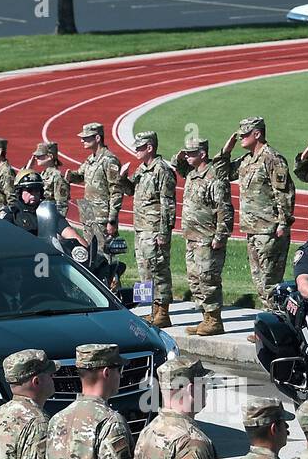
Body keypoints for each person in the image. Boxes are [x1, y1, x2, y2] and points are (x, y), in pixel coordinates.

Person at [214, 116, 295, 309]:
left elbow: (284, 193)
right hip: (252, 229)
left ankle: (277, 324)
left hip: (269, 230)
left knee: (270, 282)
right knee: (259, 282)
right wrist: (226, 150)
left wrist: (283, 223)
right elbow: (221, 173)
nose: (240, 138)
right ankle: (269, 324)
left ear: (257, 134)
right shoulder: (247, 160)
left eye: (245, 134)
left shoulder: (272, 158)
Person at [174, 138, 233, 336]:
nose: (187, 156)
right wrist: (182, 155)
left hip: (208, 238)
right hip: (192, 237)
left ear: (203, 154)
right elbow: (177, 164)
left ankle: (215, 320)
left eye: (192, 153)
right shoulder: (191, 175)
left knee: (208, 279)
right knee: (194, 280)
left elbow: (224, 209)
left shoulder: (214, 177)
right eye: (187, 153)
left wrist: (220, 236)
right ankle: (205, 318)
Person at [118, 130, 177, 328]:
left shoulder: (162, 170)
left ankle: (163, 311)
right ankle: (152, 309)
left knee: (159, 270)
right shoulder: (142, 169)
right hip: (141, 229)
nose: (136, 150)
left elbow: (168, 204)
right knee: (145, 271)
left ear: (150, 148)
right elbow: (130, 191)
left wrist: (164, 232)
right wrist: (122, 179)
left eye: (140, 147)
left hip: (154, 230)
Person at [64, 122, 123, 249]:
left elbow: (116, 191)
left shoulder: (109, 160)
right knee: (90, 253)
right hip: (89, 215)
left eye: (86, 138)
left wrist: (112, 220)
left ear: (97, 138)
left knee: (104, 254)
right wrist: (71, 176)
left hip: (102, 218)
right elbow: (81, 175)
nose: (82, 140)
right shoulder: (91, 159)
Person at [0, 170, 85, 246]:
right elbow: (0, 240)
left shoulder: (48, 213)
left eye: (37, 191)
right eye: (29, 191)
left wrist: (83, 250)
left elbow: (70, 233)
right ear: (19, 192)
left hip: (47, 258)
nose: (34, 195)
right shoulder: (10, 213)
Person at [29, 140, 70, 213]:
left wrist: (57, 220)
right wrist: (30, 165)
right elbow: (21, 178)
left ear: (50, 157)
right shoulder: (43, 174)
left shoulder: (57, 176)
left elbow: (61, 204)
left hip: (49, 214)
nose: (36, 158)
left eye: (39, 156)